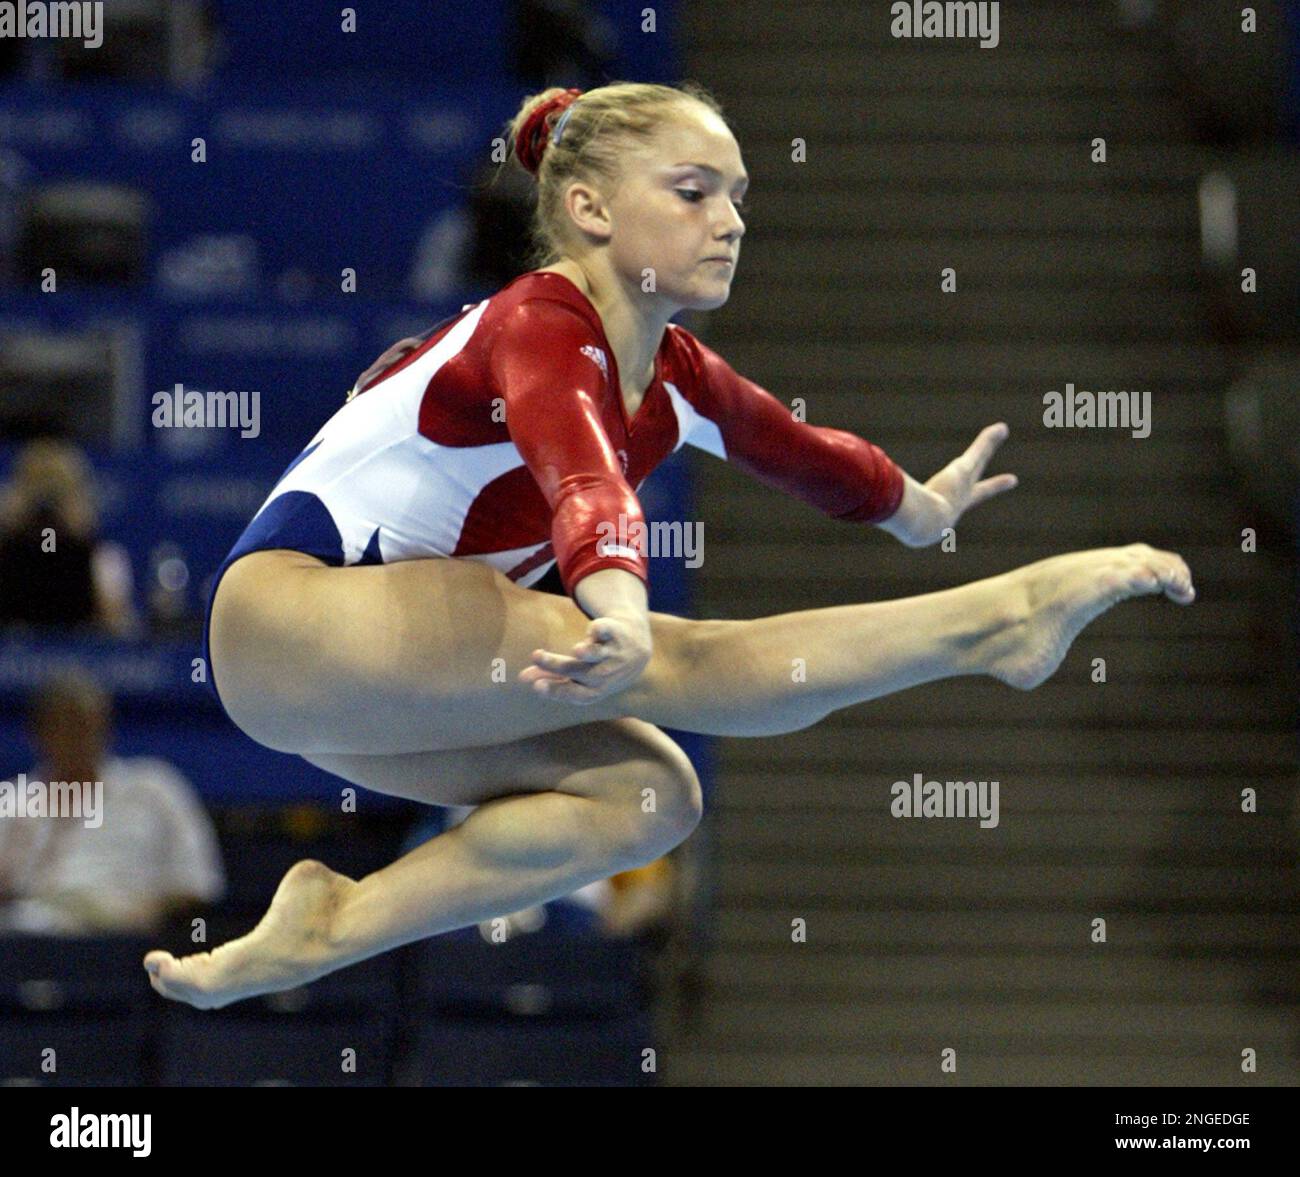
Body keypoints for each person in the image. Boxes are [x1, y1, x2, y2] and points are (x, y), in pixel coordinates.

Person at [144, 80, 1195, 1009]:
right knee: (674, 660)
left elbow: (806, 453)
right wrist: (614, 605)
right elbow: (580, 471)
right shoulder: (539, 322)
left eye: (738, 194)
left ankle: (334, 926)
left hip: (360, 691)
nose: (729, 221)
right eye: (694, 192)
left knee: (649, 798)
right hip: (287, 618)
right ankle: (997, 624)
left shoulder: (677, 373)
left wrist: (921, 509)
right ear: (589, 208)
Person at [0, 671, 225, 934]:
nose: (75, 739)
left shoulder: (154, 789)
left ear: (104, 727)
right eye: (62, 726)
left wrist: (141, 916)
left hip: (125, 942)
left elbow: (197, 885)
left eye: (84, 726)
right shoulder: (12, 800)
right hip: (27, 940)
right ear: (38, 733)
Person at [0, 439, 138, 636]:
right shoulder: (7, 552)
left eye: (57, 494)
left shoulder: (103, 558)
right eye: (39, 494)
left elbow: (119, 631)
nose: (47, 510)